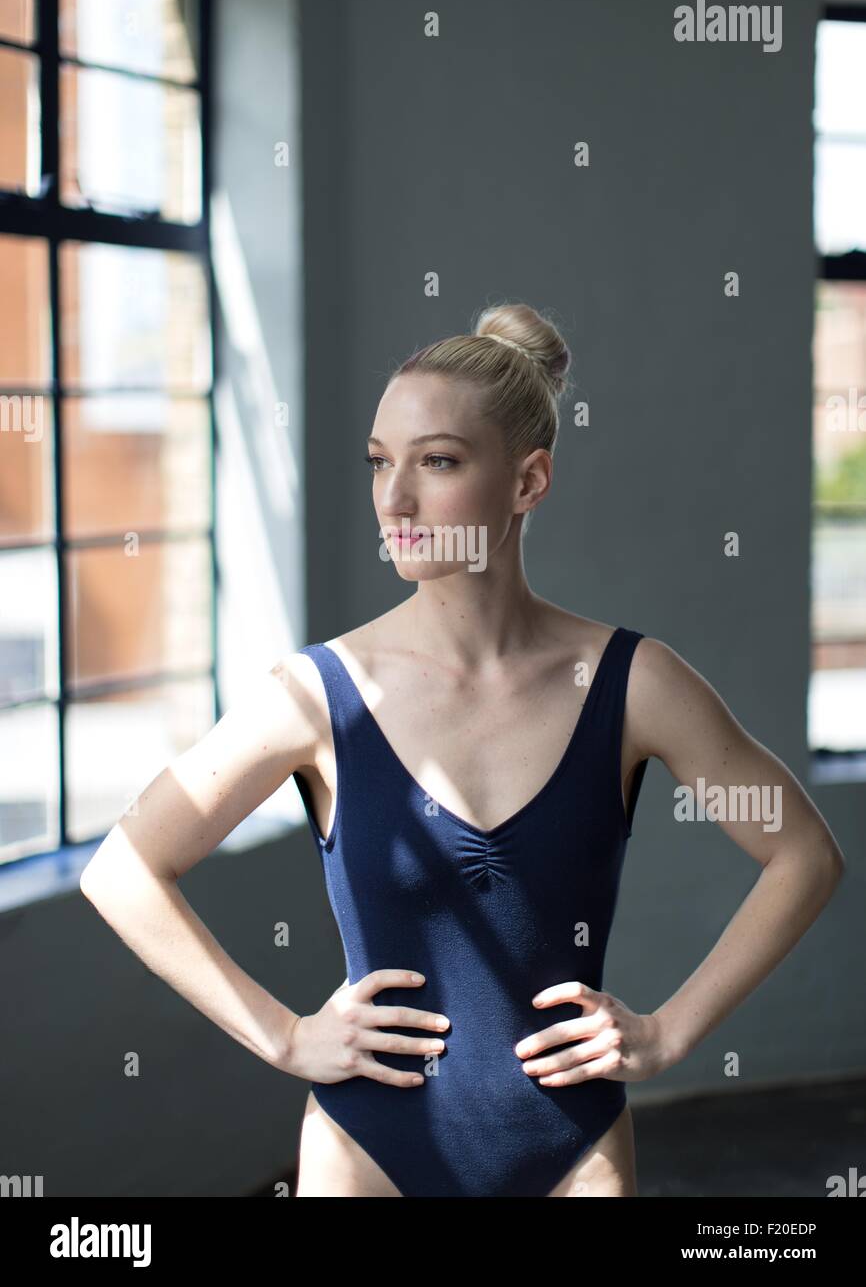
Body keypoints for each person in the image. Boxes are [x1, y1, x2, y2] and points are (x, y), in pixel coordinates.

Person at [81, 302, 846, 1198]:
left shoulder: (633, 683)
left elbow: (803, 855)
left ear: (528, 482)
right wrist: (285, 1035)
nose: (394, 499)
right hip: (368, 1153)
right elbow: (122, 870)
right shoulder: (315, 696)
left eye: (436, 462)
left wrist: (671, 1031)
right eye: (379, 463)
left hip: (575, 1153)